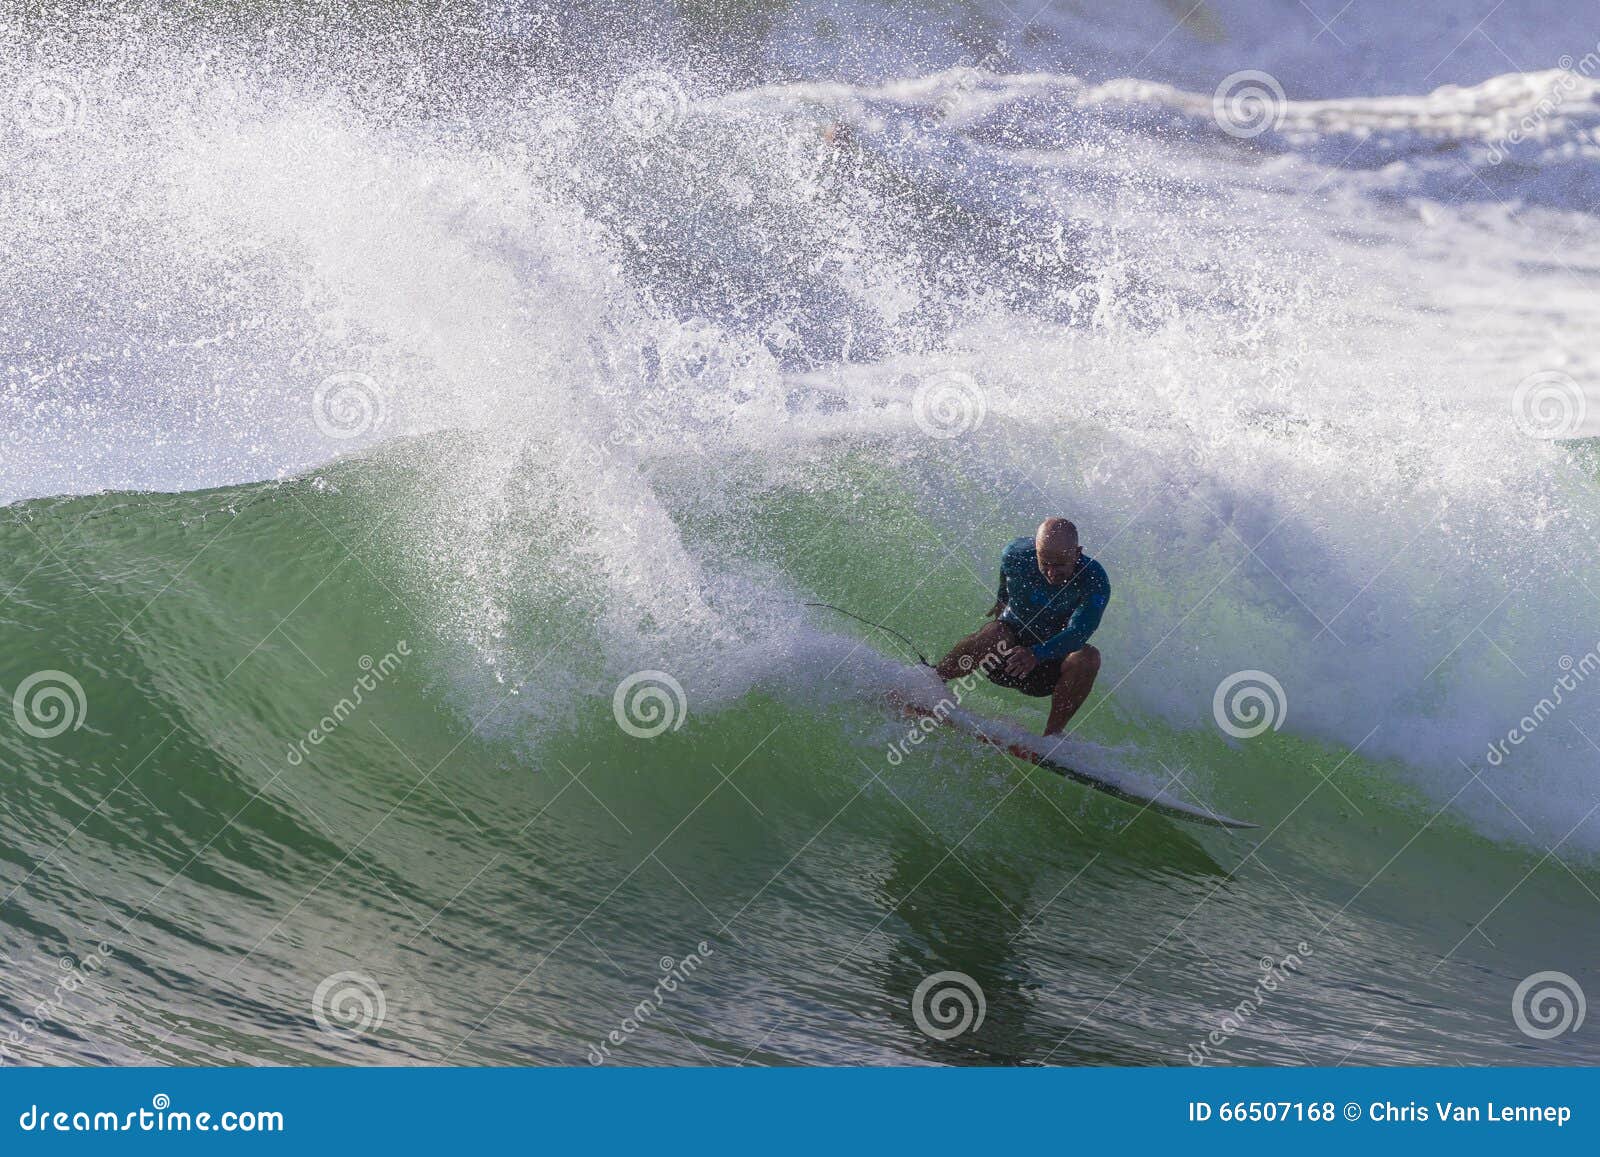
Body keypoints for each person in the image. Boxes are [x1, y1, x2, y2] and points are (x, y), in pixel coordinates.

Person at [936, 517, 1109, 736]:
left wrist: (1037, 654)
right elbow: (1006, 572)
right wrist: (1002, 598)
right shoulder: (1016, 554)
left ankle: (1052, 737)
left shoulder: (1094, 579)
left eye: (1060, 565)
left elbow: (1080, 632)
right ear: (1036, 551)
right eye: (1045, 563)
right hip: (1002, 657)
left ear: (1077, 552)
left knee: (1088, 657)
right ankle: (931, 680)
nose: (1052, 572)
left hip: (1047, 668)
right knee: (995, 632)